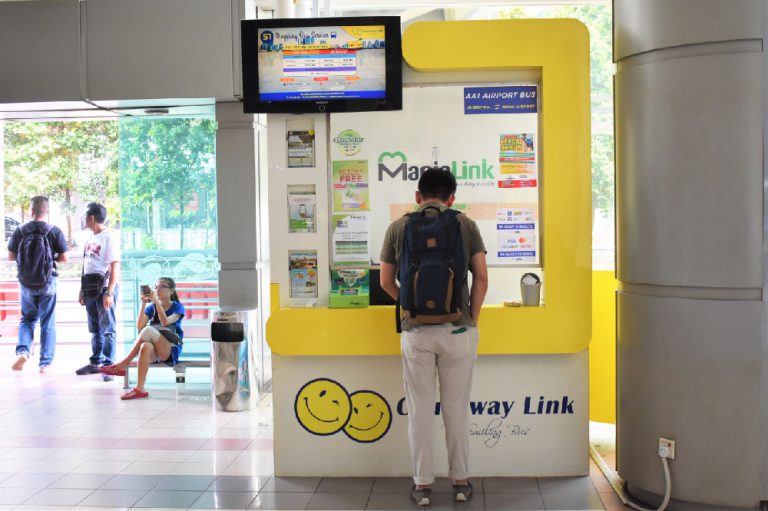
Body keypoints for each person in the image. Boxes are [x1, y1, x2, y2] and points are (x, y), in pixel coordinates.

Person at [379, 168, 488, 506]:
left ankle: (423, 486)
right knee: (456, 409)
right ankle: (461, 482)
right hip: (458, 331)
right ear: (452, 198)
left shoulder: (399, 227)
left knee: (420, 411)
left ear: (417, 196)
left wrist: (411, 308)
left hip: (416, 334)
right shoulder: (465, 224)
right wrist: (469, 318)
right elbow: (481, 277)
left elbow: (386, 281)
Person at [8, 196, 68, 373]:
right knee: (47, 321)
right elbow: (65, 258)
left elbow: (11, 256)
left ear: (31, 210)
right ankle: (45, 363)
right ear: (47, 211)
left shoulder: (20, 230)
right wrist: (51, 259)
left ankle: (24, 351)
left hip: (26, 283)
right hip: (47, 282)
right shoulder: (54, 231)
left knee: (27, 319)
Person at [100, 277, 185, 400]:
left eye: (162, 286)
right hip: (155, 350)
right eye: (156, 287)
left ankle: (124, 363)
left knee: (149, 330)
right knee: (145, 346)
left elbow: (165, 322)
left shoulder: (178, 307)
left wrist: (156, 302)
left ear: (171, 291)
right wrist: (144, 304)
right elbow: (139, 327)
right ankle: (140, 389)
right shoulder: (151, 308)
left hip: (170, 349)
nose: (157, 289)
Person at [75, 203, 121, 381]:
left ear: (92, 217)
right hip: (90, 288)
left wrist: (109, 292)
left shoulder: (109, 238)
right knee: (95, 329)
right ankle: (96, 362)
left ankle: (109, 366)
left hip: (103, 289)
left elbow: (115, 265)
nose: (84, 219)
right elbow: (87, 265)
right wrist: (82, 290)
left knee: (108, 329)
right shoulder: (91, 238)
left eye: (85, 215)